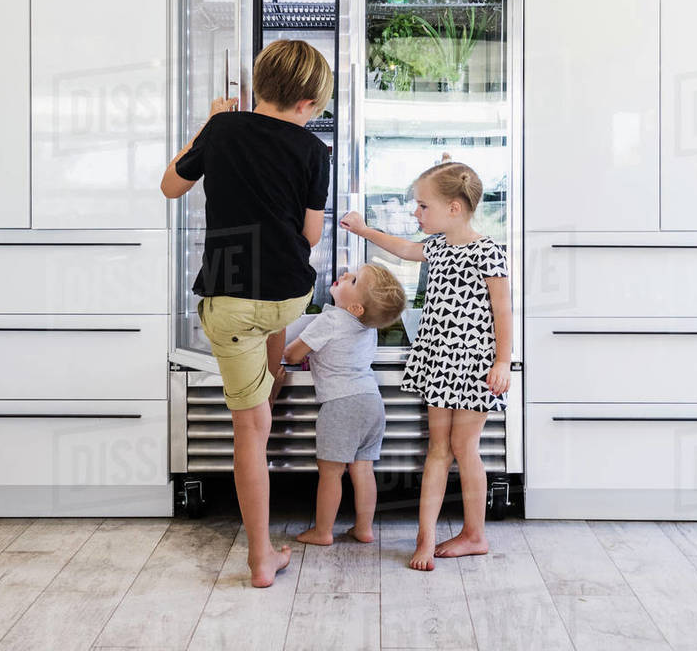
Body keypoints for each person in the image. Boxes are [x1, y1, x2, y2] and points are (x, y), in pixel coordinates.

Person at [160, 39, 333, 588]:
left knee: (248, 431)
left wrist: (207, 125)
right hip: (288, 296)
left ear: (258, 85)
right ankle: (269, 386)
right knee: (271, 326)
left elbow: (171, 186)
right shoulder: (315, 151)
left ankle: (261, 559)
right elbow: (310, 236)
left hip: (232, 302)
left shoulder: (223, 129)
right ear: (307, 104)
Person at [340, 160, 512, 572]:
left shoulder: (488, 251)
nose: (416, 213)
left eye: (422, 206)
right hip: (438, 361)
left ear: (454, 208)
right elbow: (402, 248)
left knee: (464, 448)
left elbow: (503, 311)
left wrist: (503, 361)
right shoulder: (436, 247)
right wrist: (363, 230)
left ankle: (475, 534)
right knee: (438, 449)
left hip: (474, 366)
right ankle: (426, 536)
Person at [283, 263, 406, 546]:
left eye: (353, 280)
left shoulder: (331, 320)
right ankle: (364, 528)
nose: (345, 274)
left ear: (356, 308)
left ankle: (323, 531)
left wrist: (291, 347)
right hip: (371, 401)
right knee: (363, 469)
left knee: (331, 472)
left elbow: (291, 355)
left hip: (342, 404)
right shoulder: (367, 327)